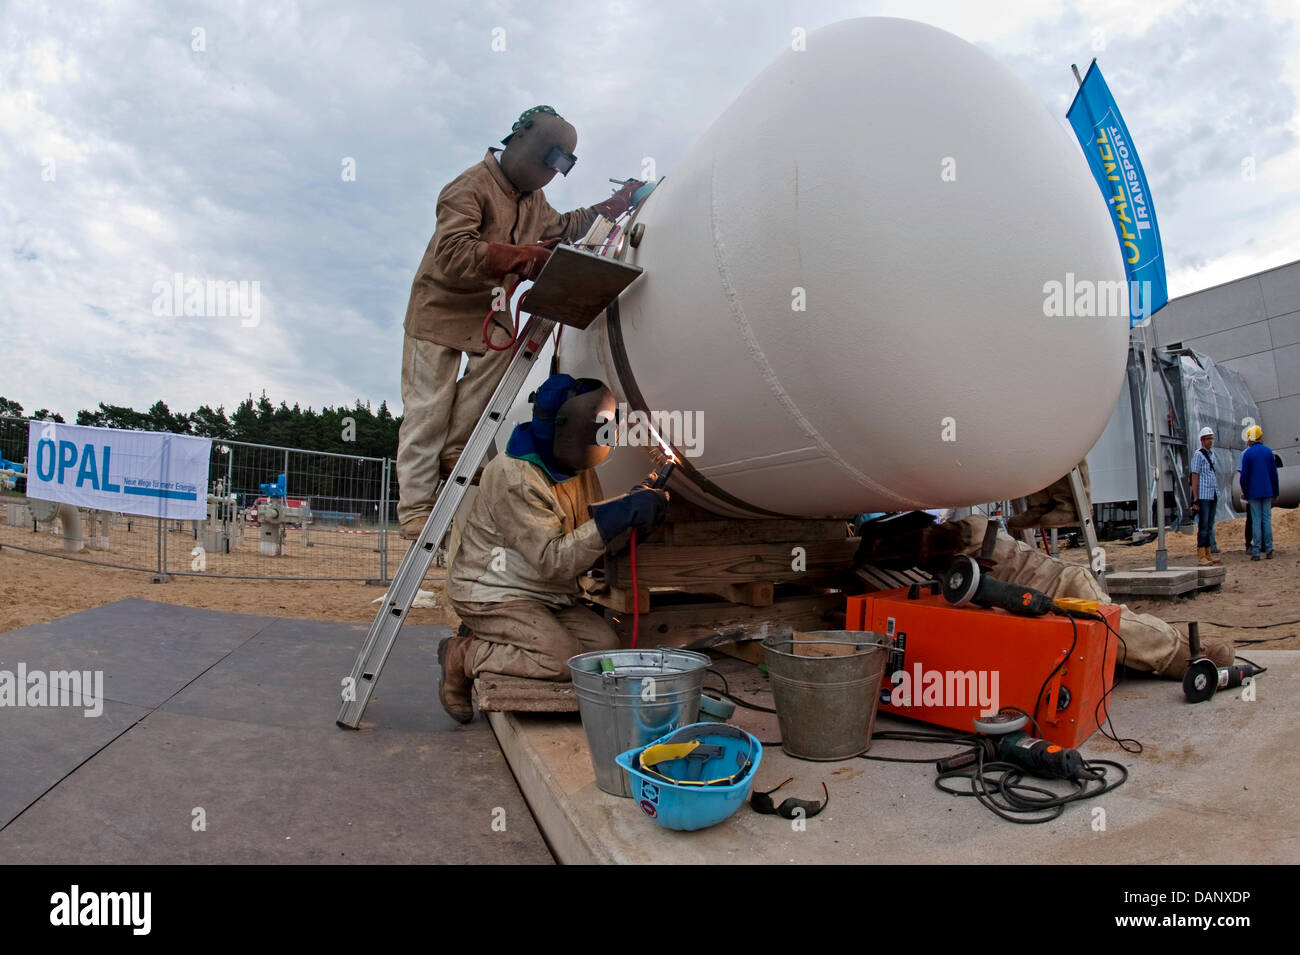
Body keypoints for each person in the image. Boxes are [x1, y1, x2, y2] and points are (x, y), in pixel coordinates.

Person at [396, 105, 645, 539]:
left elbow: (564, 226)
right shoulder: (468, 187)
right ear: (520, 142)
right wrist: (524, 257)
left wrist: (614, 204)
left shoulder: (532, 200)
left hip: (488, 310)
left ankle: (455, 454)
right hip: (439, 309)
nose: (544, 179)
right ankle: (415, 508)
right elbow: (452, 254)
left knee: (489, 379)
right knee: (428, 407)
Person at [437, 374, 669, 723]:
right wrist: (610, 521)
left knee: (603, 650)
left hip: (547, 594)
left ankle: (500, 640)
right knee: (560, 660)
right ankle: (463, 655)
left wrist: (631, 514)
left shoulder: (578, 468)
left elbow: (588, 535)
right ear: (574, 428)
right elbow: (554, 560)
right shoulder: (514, 475)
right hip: (493, 591)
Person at [1240, 425, 1280, 560]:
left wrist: (1245, 491)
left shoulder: (1247, 454)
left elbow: (1244, 476)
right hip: (1267, 490)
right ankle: (1269, 549)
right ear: (1260, 437)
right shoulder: (1269, 452)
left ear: (1251, 438)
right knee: (1266, 520)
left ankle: (1256, 551)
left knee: (1256, 520)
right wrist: (1276, 491)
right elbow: (1274, 474)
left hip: (1253, 492)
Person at [1189, 426, 1221, 566]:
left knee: (1209, 525)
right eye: (1207, 439)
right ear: (1202, 440)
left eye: (1211, 438)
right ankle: (1201, 553)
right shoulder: (1198, 455)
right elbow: (1194, 476)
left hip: (1212, 493)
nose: (1210, 441)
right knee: (1203, 525)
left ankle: (1208, 553)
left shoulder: (1212, 455)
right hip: (1203, 495)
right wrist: (1195, 497)